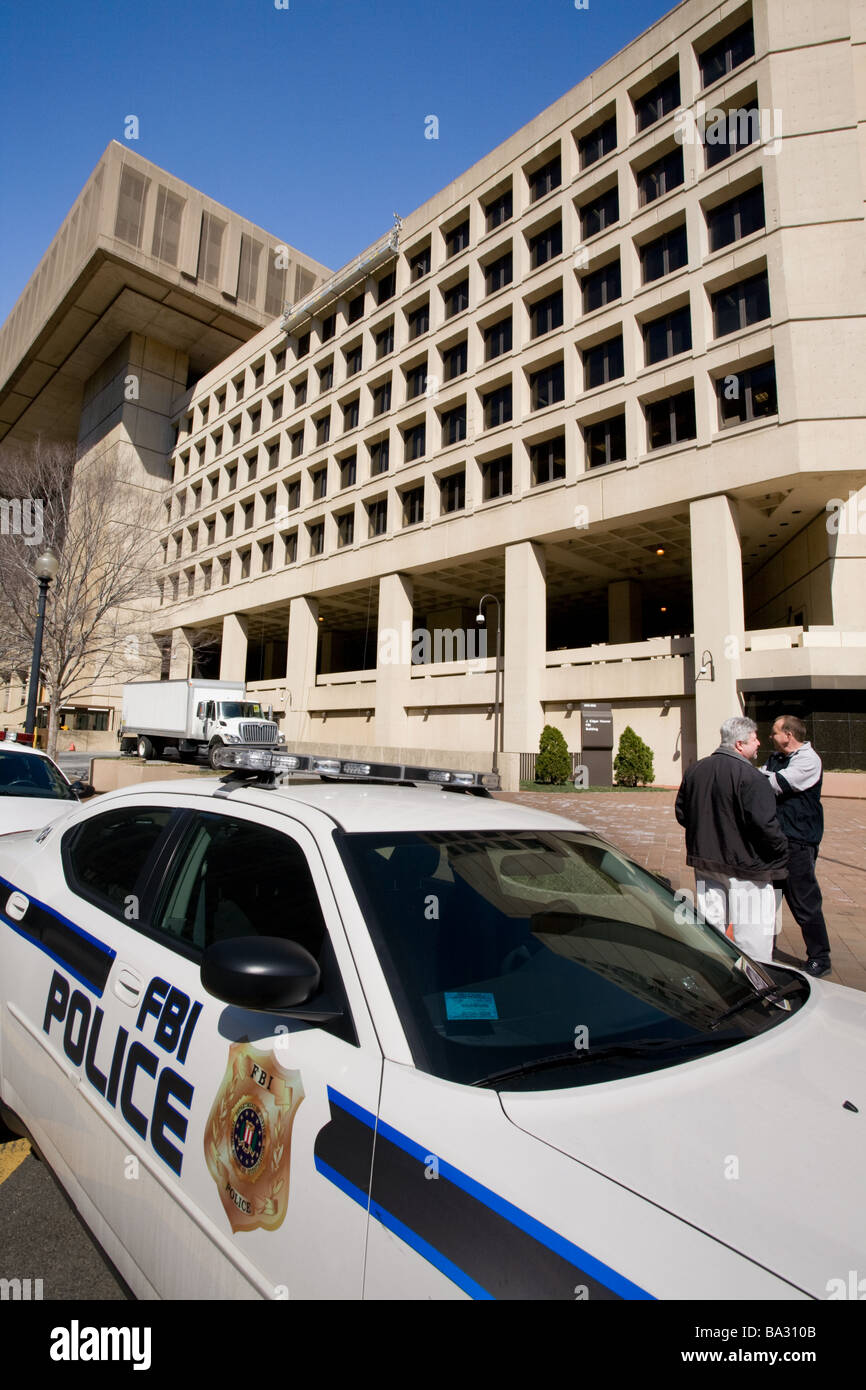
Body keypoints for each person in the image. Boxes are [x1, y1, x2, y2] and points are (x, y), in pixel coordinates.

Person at [675, 716, 788, 963]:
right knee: (753, 938)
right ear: (739, 744)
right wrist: (782, 851)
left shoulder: (695, 770)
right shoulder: (752, 778)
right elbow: (766, 826)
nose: (759, 743)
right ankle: (758, 988)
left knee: (711, 931)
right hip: (747, 869)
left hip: (706, 863)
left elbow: (683, 813)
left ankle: (713, 976)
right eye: (754, 738)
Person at [760, 714, 832, 978]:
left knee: (804, 901)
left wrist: (757, 779)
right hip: (775, 840)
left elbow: (775, 784)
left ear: (788, 735)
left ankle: (820, 957)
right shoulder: (776, 758)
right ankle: (763, 948)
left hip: (799, 842)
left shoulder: (808, 760)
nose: (771, 736)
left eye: (774, 732)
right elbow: (762, 778)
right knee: (768, 899)